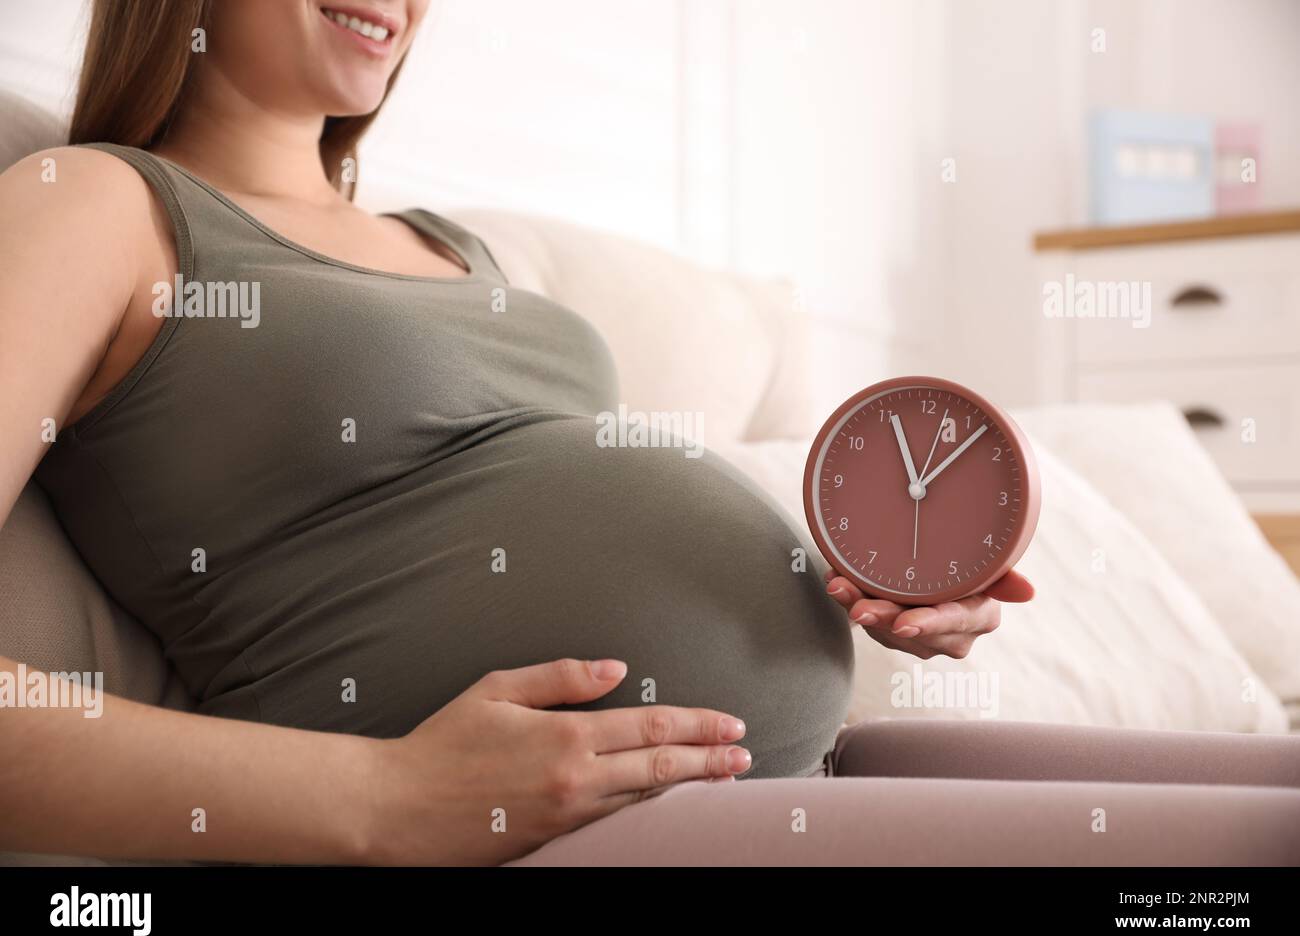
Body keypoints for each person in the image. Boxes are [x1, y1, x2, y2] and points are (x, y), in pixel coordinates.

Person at [1, 0, 1295, 866]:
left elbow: (537, 520)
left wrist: (856, 585)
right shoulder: (97, 204)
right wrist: (386, 802)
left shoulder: (449, 247)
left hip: (783, 767)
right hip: (536, 825)